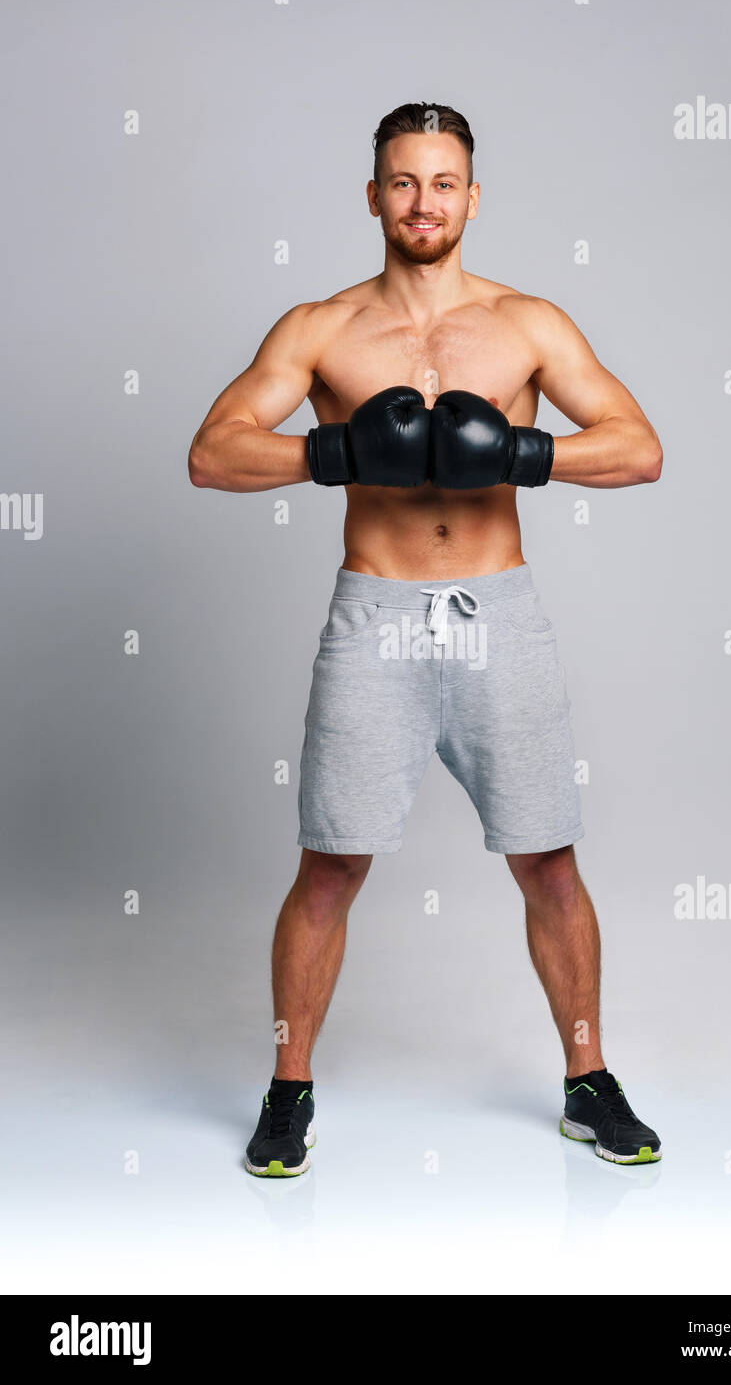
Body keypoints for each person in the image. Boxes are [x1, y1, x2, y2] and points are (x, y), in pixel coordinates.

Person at [188, 102, 664, 1176]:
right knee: (329, 863)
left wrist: (526, 453)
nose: (422, 202)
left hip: (497, 613)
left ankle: (587, 1082)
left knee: (547, 859)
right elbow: (214, 453)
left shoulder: (526, 322)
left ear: (471, 198)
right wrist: (334, 452)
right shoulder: (320, 327)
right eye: (402, 182)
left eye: (441, 183)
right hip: (376, 617)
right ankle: (287, 1088)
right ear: (373, 195)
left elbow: (637, 449)